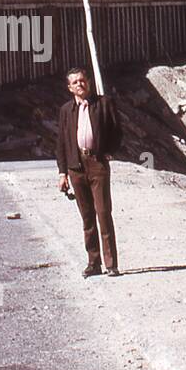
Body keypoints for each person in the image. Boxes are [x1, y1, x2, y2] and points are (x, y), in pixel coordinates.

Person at [55, 67, 123, 278]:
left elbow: (117, 130)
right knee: (87, 217)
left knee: (103, 213)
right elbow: (62, 142)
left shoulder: (104, 104)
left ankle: (111, 264)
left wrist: (109, 152)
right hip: (76, 167)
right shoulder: (66, 110)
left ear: (89, 82)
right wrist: (62, 172)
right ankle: (93, 263)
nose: (79, 85)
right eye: (75, 82)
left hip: (97, 164)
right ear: (69, 88)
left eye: (82, 80)